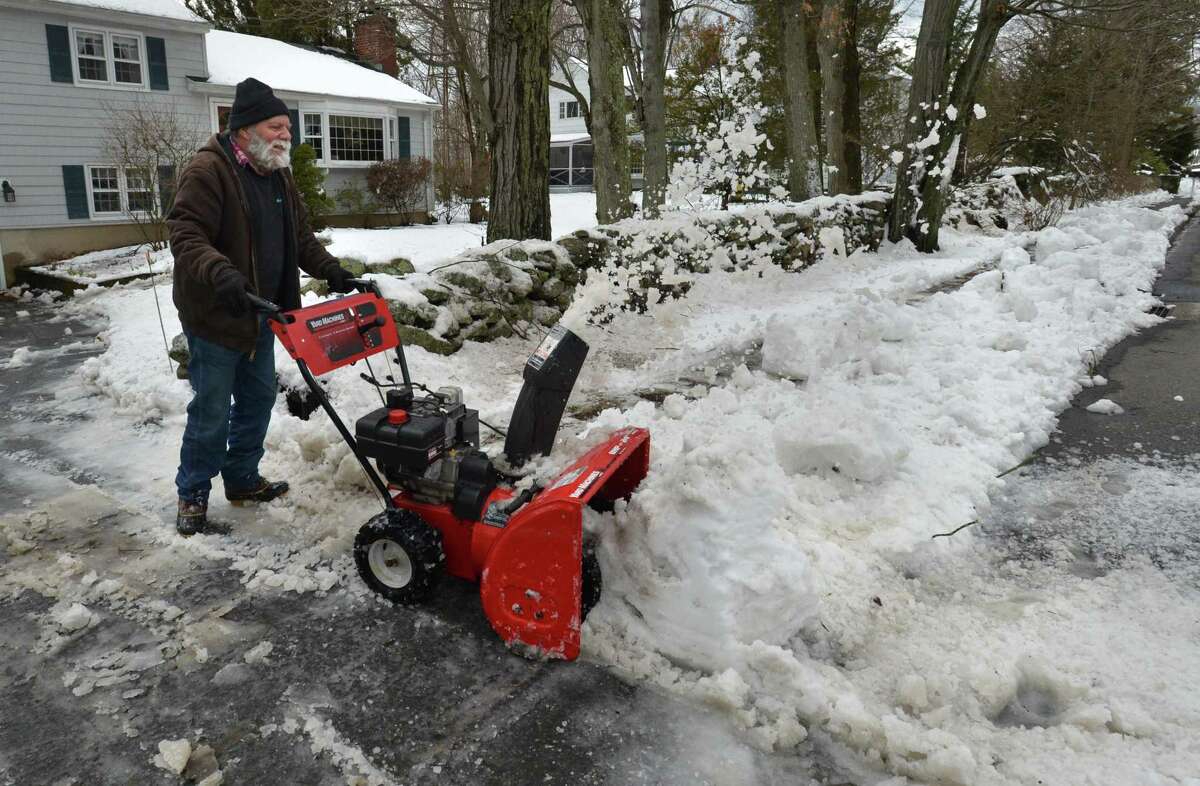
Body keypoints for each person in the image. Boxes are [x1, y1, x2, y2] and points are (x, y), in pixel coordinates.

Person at [168, 77, 355, 536]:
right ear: (245, 130)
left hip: (261, 313)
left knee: (256, 401)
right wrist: (220, 273)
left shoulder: (277, 173)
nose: (285, 135)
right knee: (211, 411)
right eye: (276, 127)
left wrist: (332, 270)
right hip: (216, 316)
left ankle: (242, 478)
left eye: (287, 127)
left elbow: (300, 238)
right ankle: (192, 493)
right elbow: (185, 233)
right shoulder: (208, 171)